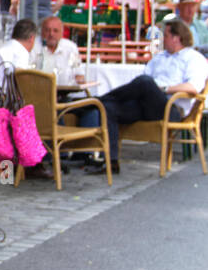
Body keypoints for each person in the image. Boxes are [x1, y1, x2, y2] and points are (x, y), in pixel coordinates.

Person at [81, 18, 208, 174]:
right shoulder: (159, 59)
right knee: (109, 107)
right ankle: (111, 161)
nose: (162, 40)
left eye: (165, 36)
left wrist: (165, 89)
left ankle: (94, 102)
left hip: (172, 108)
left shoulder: (193, 58)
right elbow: (137, 88)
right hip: (146, 104)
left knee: (146, 83)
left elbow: (193, 87)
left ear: (177, 37)